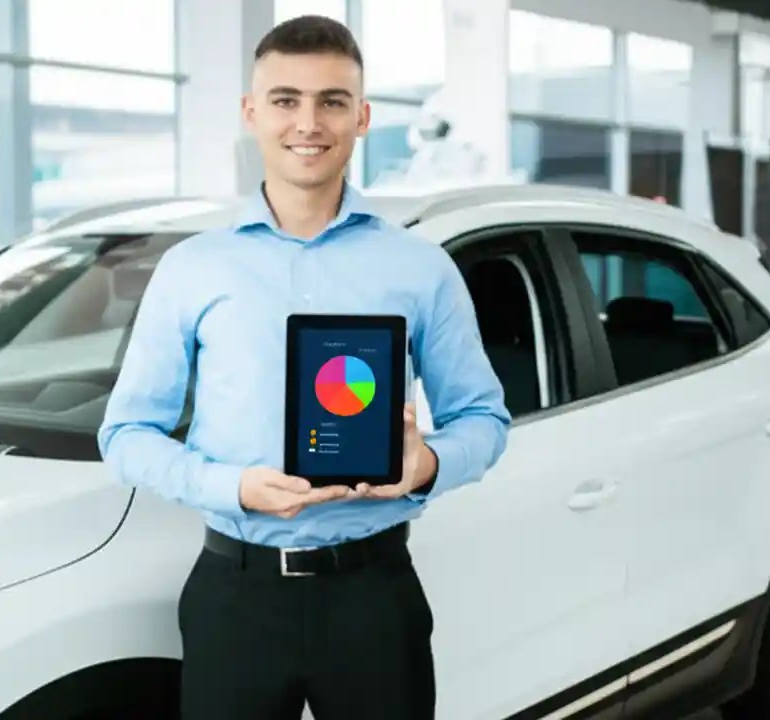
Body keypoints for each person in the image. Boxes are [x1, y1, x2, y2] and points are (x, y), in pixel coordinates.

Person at [97, 15, 511, 720]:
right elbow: (127, 433)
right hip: (236, 597)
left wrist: (427, 466)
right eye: (286, 99)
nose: (308, 123)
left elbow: (485, 419)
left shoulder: (419, 267)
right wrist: (232, 487)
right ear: (252, 113)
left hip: (373, 596)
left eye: (332, 101)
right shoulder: (193, 268)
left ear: (362, 117)